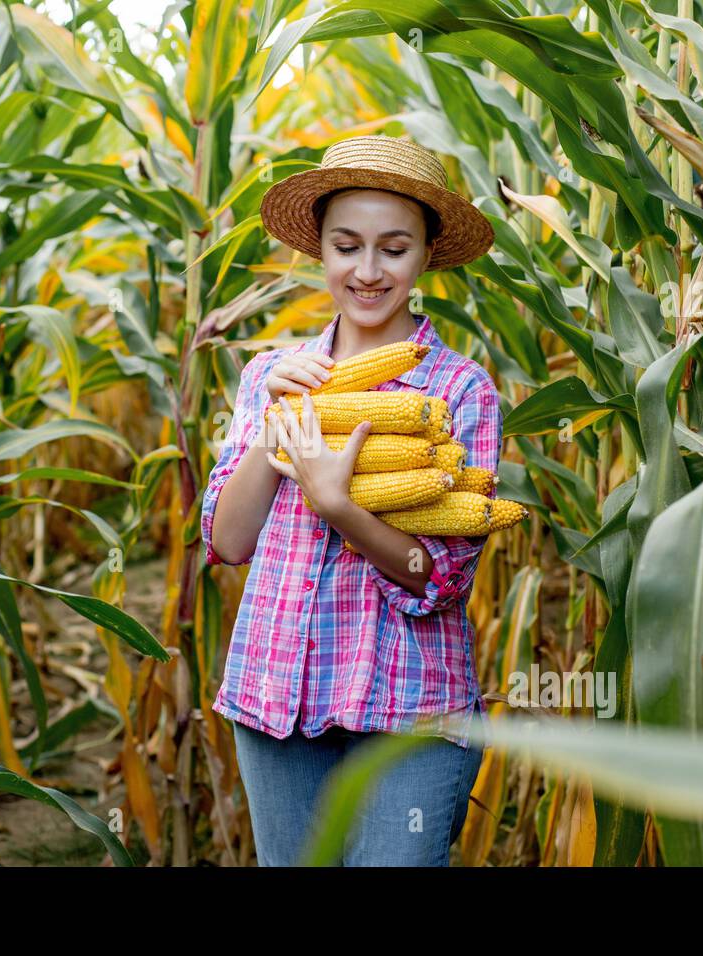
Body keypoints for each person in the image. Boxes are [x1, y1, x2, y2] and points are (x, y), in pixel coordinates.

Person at [201, 134, 502, 866]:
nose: (367, 271)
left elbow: (442, 578)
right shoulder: (272, 374)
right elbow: (229, 541)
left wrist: (342, 510)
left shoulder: (461, 390)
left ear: (427, 254)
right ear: (320, 252)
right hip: (277, 698)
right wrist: (275, 438)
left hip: (409, 709)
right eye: (346, 246)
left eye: (393, 249)